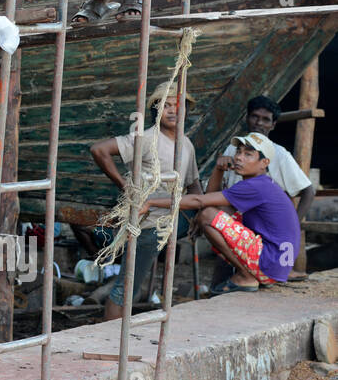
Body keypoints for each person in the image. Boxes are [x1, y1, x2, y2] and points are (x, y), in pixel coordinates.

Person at [88, 83, 201, 320]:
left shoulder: (185, 144)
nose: (172, 111)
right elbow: (99, 150)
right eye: (166, 106)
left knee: (131, 285)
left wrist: (199, 214)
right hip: (148, 224)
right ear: (156, 111)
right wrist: (125, 185)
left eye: (177, 106)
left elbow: (194, 184)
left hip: (169, 222)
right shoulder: (147, 138)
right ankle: (111, 340)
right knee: (126, 287)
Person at [140, 132, 301, 294]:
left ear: (264, 163)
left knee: (208, 215)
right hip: (276, 266)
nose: (239, 157)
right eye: (238, 151)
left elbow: (201, 201)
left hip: (269, 263)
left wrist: (151, 202)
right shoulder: (263, 183)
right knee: (212, 211)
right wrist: (218, 169)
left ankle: (246, 276)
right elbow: (210, 200)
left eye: (248, 154)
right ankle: (248, 274)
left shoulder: (255, 186)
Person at [210, 94, 314, 280]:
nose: (259, 123)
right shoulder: (232, 150)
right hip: (236, 224)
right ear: (247, 118)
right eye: (255, 116)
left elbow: (308, 191)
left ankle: (247, 276)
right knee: (222, 274)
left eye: (266, 119)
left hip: (264, 231)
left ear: (273, 125)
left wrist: (294, 226)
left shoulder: (279, 155)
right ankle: (222, 287)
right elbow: (218, 194)